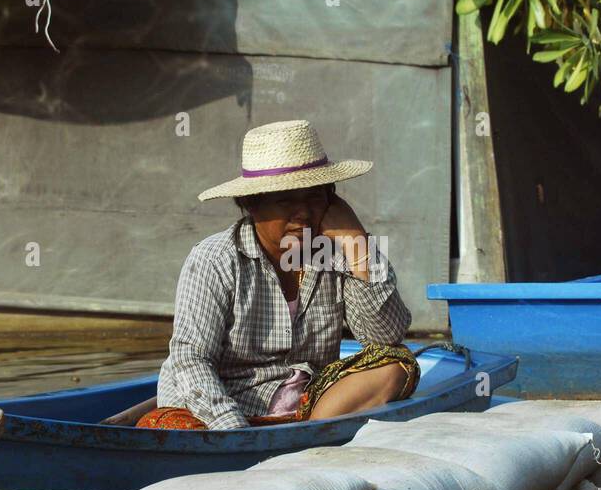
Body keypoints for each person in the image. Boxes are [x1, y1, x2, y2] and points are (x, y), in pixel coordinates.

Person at [133, 119, 418, 430]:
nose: (304, 214)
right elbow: (191, 360)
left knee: (397, 363)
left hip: (308, 405)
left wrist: (356, 244)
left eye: (314, 197)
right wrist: (234, 433)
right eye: (286, 200)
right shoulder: (215, 260)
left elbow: (385, 338)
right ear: (252, 205)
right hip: (222, 411)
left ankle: (310, 435)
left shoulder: (337, 251)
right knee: (168, 426)